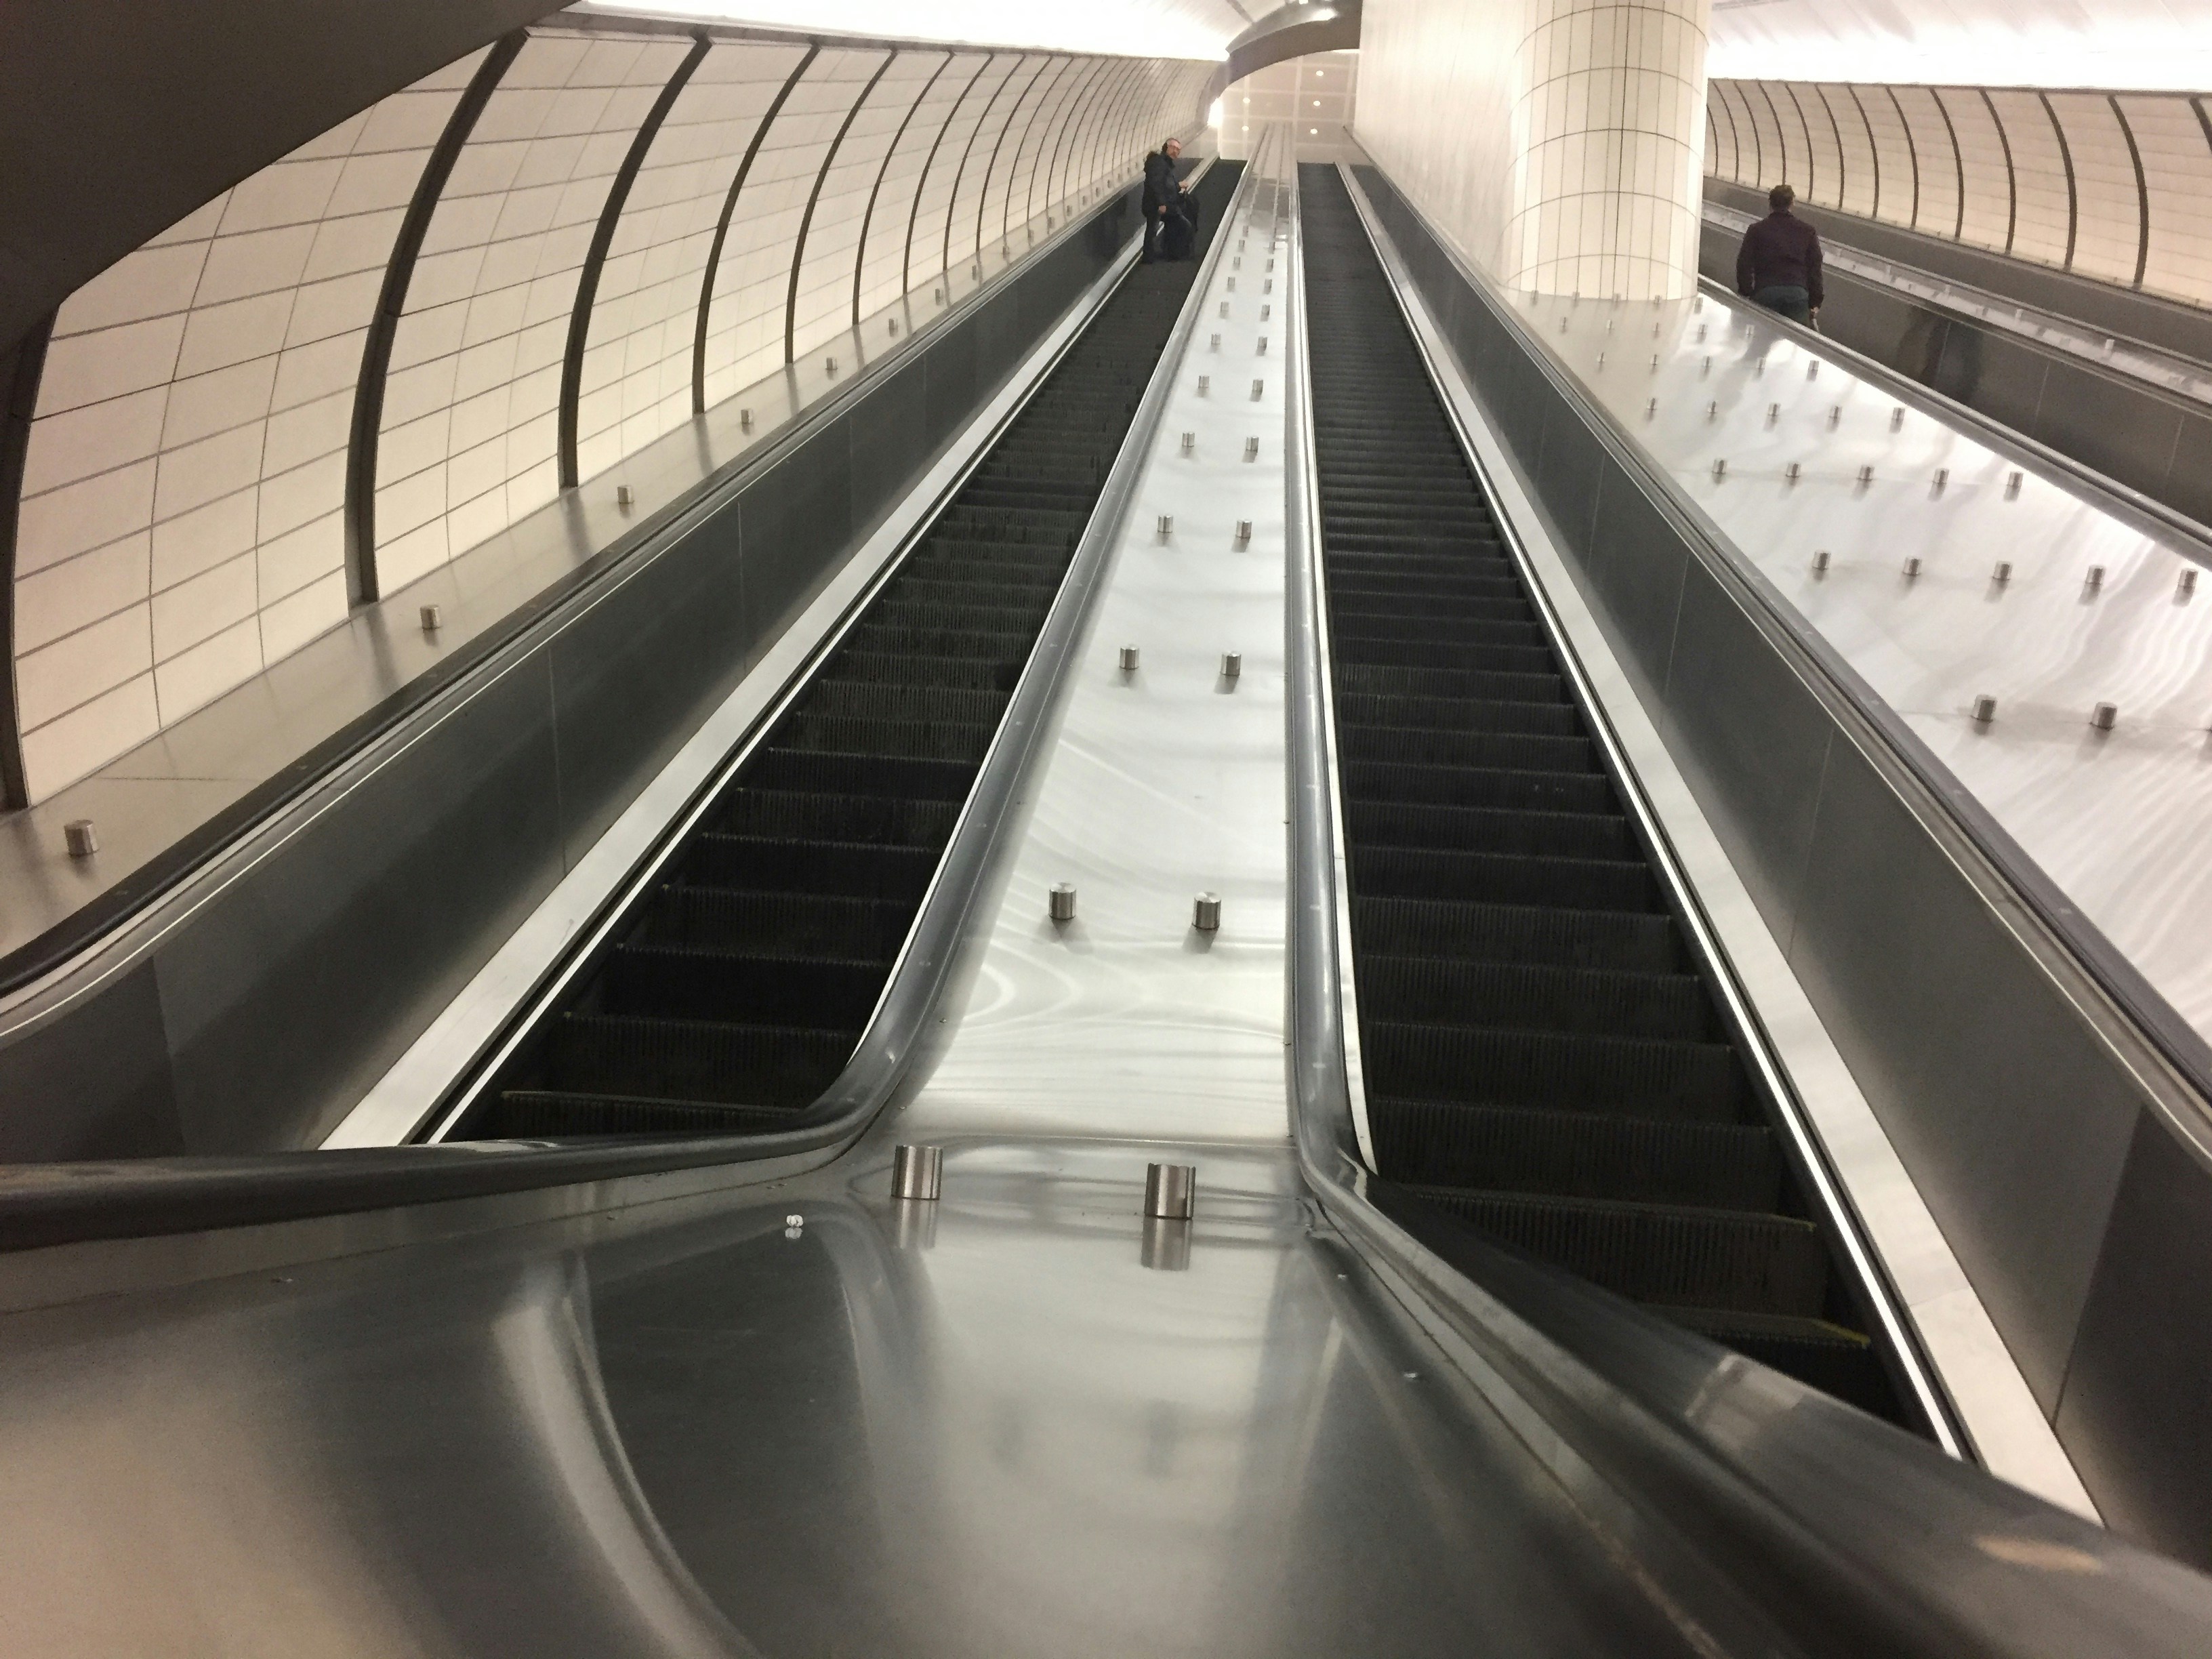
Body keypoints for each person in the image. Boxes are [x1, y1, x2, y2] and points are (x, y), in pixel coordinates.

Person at [1736, 184, 1822, 325]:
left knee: (1761, 338)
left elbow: (1744, 264)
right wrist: (1815, 302)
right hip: (1797, 293)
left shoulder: (1756, 230)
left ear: (1770, 205)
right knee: (1798, 341)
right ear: (1792, 203)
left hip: (1766, 292)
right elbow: (1815, 267)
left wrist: (1746, 292)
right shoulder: (1807, 231)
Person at [1143, 136, 1192, 262]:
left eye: (1178, 150)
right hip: (1156, 204)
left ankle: (1168, 253)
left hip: (1165, 204)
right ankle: (1149, 258)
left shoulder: (1166, 164)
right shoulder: (1159, 163)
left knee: (1172, 226)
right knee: (1153, 230)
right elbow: (1156, 183)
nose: (1175, 151)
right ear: (1166, 147)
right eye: (1173, 148)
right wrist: (1161, 203)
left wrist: (1178, 186)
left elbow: (1167, 185)